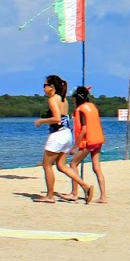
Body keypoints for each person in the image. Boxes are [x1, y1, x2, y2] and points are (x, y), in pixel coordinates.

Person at [33, 75, 90, 203]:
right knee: (61, 165)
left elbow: (57, 119)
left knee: (47, 165)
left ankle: (50, 196)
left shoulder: (53, 99)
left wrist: (41, 121)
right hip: (66, 135)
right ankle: (85, 186)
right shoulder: (64, 100)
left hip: (58, 135)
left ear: (51, 87)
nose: (43, 88)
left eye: (45, 85)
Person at [68, 85, 108, 204]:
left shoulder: (80, 110)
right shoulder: (92, 107)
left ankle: (74, 193)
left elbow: (84, 129)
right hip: (98, 140)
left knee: (73, 164)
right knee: (97, 168)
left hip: (88, 142)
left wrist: (75, 146)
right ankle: (103, 196)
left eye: (74, 97)